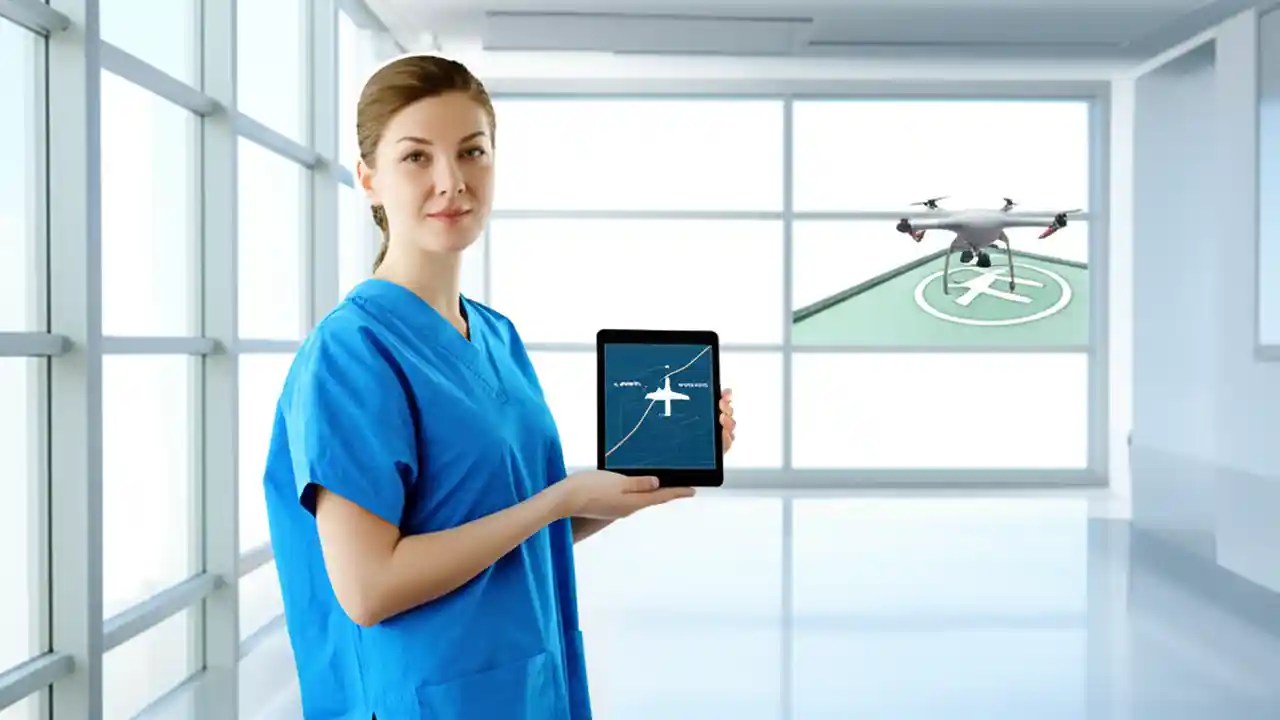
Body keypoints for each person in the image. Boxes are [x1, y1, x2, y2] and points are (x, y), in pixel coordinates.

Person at [260, 54, 739, 720]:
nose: (451, 181)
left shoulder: (494, 334)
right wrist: (557, 499)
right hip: (424, 699)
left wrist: (622, 488)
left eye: (472, 152)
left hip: (526, 683)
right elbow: (369, 587)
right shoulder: (353, 351)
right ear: (369, 180)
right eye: (417, 158)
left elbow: (498, 526)